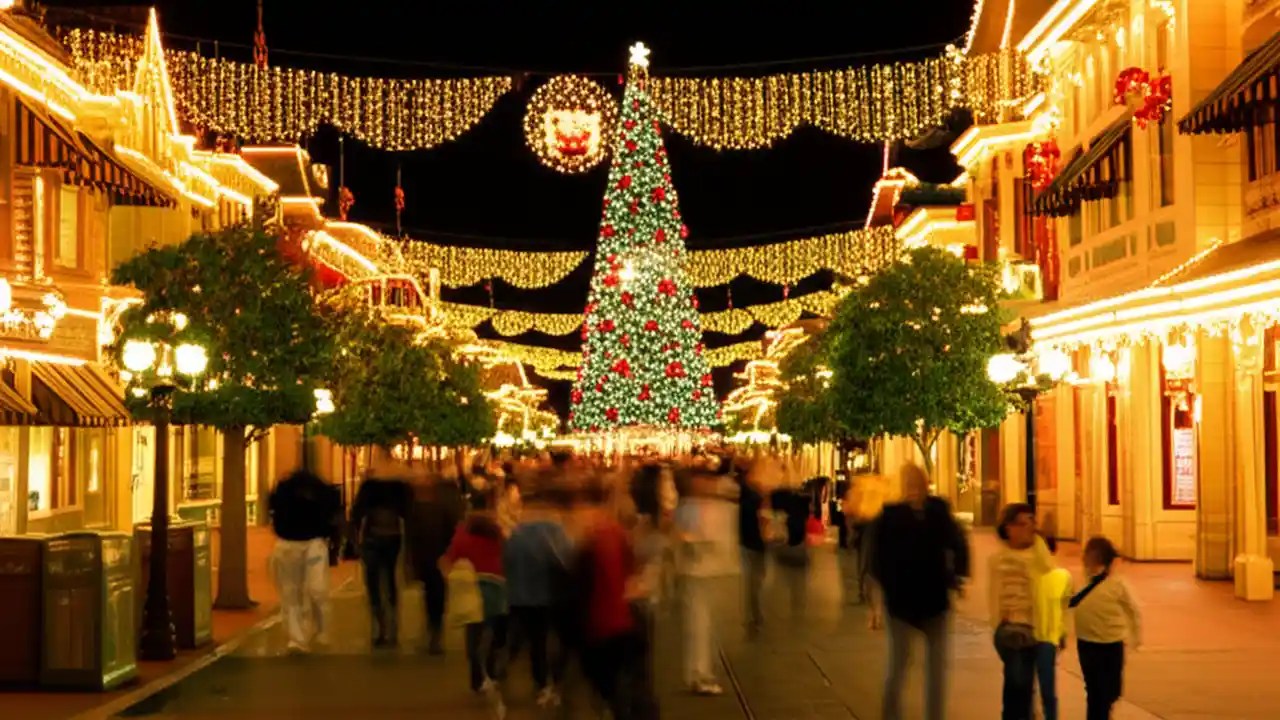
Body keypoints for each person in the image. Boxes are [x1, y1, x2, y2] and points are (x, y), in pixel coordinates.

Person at [868, 463, 970, 720]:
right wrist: (881, 596)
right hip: (901, 604)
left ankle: (934, 717)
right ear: (902, 488)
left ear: (925, 484)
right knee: (898, 666)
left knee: (936, 670)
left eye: (917, 483)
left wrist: (958, 576)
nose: (913, 489)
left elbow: (958, 542)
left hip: (934, 601)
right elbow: (876, 559)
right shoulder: (890, 516)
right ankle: (890, 716)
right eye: (909, 484)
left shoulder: (938, 510)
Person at [504, 479, 572, 708]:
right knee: (553, 642)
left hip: (520, 597)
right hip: (548, 596)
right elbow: (566, 560)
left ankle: (537, 680)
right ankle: (552, 683)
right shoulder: (554, 531)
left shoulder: (516, 533)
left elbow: (506, 562)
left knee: (533, 643)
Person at [988, 503, 1054, 720]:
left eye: (1032, 522)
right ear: (1009, 528)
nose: (1030, 528)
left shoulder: (1040, 557)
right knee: (1019, 677)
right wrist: (999, 624)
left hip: (1035, 628)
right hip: (1009, 628)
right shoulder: (998, 560)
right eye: (1023, 523)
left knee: (1020, 681)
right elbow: (994, 598)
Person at [267, 468, 341, 653]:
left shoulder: (289, 489)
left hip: (308, 542)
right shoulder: (317, 490)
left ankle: (316, 629)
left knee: (315, 590)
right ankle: (298, 639)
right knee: (292, 593)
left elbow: (272, 509)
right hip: (292, 542)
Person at [443, 490, 509, 697]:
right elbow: (507, 554)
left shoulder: (464, 532)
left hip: (473, 586)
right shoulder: (497, 530)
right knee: (493, 632)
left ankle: (476, 679)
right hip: (496, 586)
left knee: (474, 634)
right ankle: (491, 672)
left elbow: (450, 560)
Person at [674, 466, 731, 696]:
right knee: (699, 626)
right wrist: (701, 543)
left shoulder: (706, 506)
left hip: (709, 573)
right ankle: (699, 674)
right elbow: (683, 537)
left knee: (705, 626)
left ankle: (701, 671)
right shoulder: (689, 507)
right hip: (695, 573)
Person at [1071, 536, 1141, 720]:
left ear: (1099, 557)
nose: (1084, 557)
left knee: (1111, 691)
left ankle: (1102, 712)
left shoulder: (1117, 584)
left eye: (1088, 553)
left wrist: (1136, 636)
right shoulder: (1078, 581)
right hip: (1087, 642)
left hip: (1112, 642)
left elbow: (1133, 610)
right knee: (1095, 691)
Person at [349, 459, 413, 648]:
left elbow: (356, 513)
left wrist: (355, 540)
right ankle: (390, 624)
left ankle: (380, 625)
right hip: (392, 536)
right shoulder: (399, 486)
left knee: (374, 581)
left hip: (373, 537)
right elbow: (409, 513)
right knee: (390, 579)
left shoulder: (370, 486)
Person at [407, 468, 464, 655]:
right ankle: (433, 632)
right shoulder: (418, 507)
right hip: (428, 556)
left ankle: (435, 632)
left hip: (436, 556)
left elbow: (449, 531)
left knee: (435, 594)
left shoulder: (428, 507)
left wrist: (448, 554)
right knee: (432, 594)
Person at [1034, 536, 1072, 720]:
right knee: (1032, 687)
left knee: (1046, 688)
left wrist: (1063, 633)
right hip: (1030, 637)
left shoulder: (1063, 577)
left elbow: (1065, 609)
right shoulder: (1026, 576)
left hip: (1047, 639)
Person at [736, 456, 768, 637]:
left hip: (746, 540)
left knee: (753, 581)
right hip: (755, 541)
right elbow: (762, 518)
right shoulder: (753, 494)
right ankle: (754, 615)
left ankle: (753, 614)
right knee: (755, 581)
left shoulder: (742, 491)